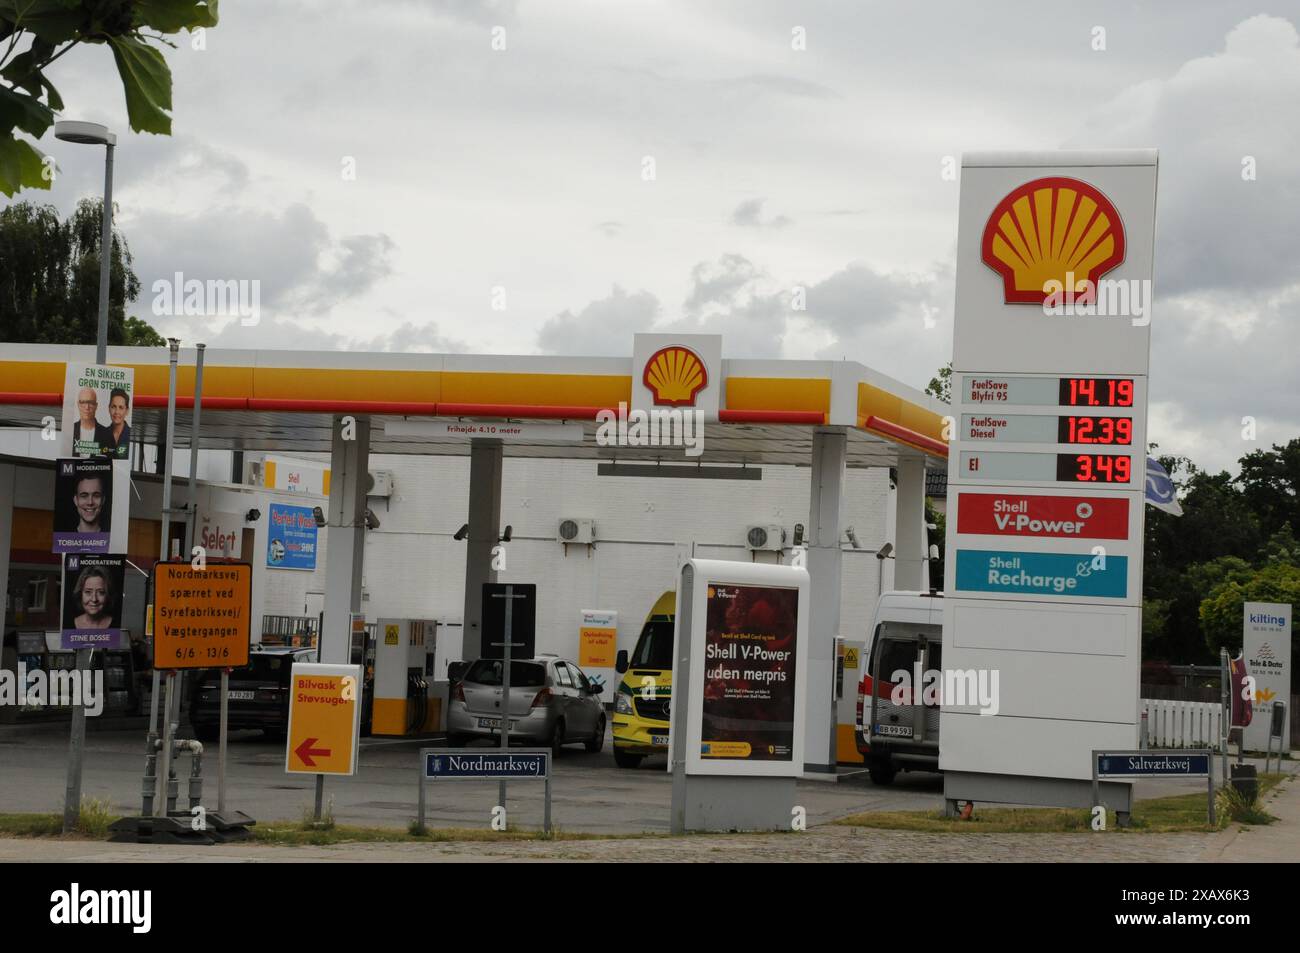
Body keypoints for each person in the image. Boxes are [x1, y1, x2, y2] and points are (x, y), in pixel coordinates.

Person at [72, 387, 111, 457]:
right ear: (78, 404)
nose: (87, 407)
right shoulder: (70, 430)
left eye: (91, 403)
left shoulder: (107, 434)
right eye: (83, 402)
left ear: (96, 406)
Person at [103, 387, 131, 459]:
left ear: (127, 411)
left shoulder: (131, 435)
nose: (116, 412)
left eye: (121, 407)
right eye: (113, 407)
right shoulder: (101, 434)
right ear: (109, 408)